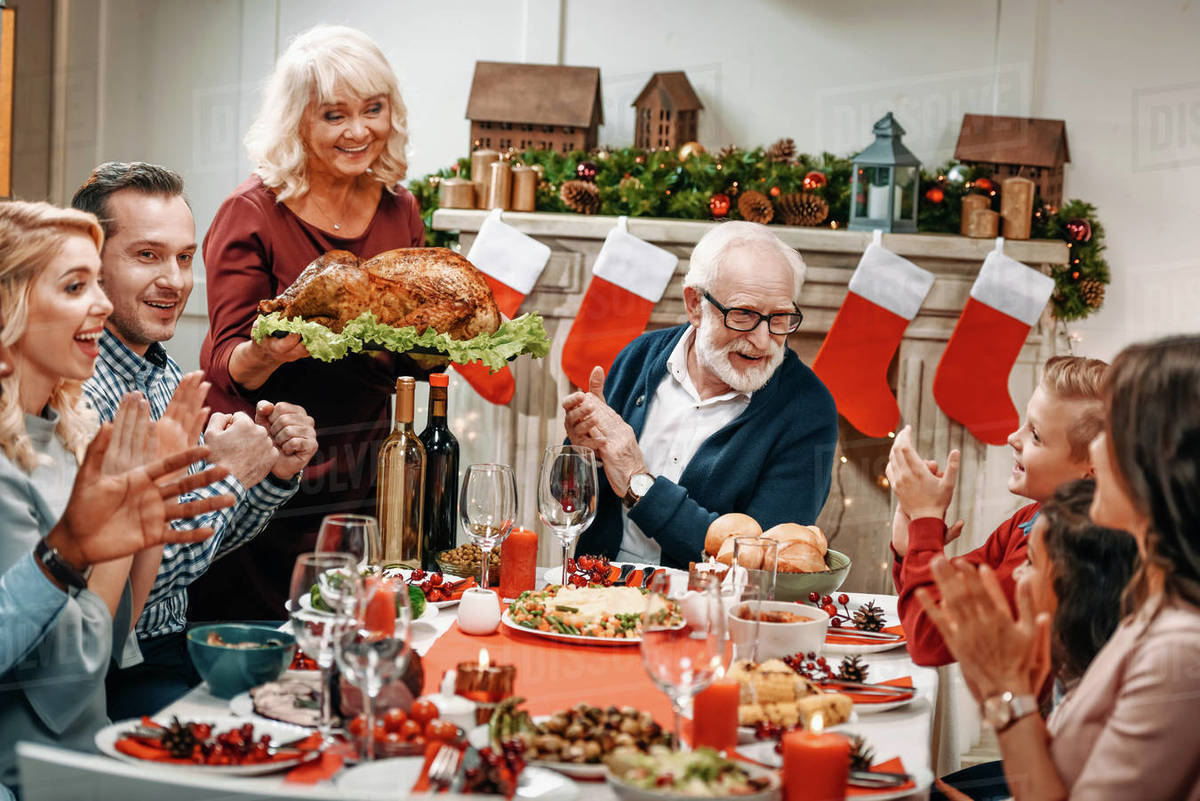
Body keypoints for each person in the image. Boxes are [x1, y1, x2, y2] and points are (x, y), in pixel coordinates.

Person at [192, 24, 427, 620]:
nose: (359, 131)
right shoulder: (251, 213)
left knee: (353, 637)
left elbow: (409, 354)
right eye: (334, 115)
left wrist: (443, 342)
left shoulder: (400, 207)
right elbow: (227, 360)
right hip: (274, 476)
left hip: (366, 473)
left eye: (373, 109)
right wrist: (269, 352)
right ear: (298, 122)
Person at [0, 200, 234, 794]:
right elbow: (68, 666)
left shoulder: (65, 435)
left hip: (88, 748)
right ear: (12, 305)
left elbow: (109, 640)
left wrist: (145, 506)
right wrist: (80, 547)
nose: (102, 304)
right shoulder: (9, 467)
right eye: (77, 286)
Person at [71, 161, 318, 717]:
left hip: (179, 642)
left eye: (184, 258)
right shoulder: (79, 393)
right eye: (147, 255)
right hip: (118, 669)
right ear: (90, 263)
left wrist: (271, 473)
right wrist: (229, 473)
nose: (176, 281)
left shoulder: (160, 372)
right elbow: (136, 587)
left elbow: (200, 546)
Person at [921, 335, 1200, 799]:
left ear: (1160, 469)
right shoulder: (1150, 599)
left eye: (1112, 437)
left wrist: (1004, 695)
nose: (1092, 454)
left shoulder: (1180, 654)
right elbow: (1061, 771)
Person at [564, 221, 838, 568]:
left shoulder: (807, 410)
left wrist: (639, 483)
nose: (763, 341)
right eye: (744, 315)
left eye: (780, 318)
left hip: (710, 611)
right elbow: (566, 505)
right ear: (695, 304)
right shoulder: (639, 357)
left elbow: (762, 565)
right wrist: (581, 456)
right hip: (595, 594)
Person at [887, 356, 1108, 666]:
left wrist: (926, 516)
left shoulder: (1059, 551)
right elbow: (933, 607)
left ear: (1092, 470)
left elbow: (929, 640)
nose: (1012, 438)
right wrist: (911, 547)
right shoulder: (1030, 518)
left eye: (1036, 435)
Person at [931, 478, 1138, 801]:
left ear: (1075, 587)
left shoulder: (1116, 688)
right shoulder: (1073, 654)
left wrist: (1004, 691)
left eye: (1030, 563)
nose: (1016, 574)